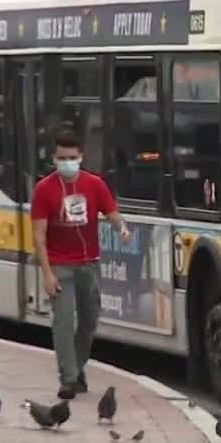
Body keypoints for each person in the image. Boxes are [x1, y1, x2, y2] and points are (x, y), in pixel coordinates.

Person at [30, 129, 131, 400]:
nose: (67, 162)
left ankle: (77, 368)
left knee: (88, 322)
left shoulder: (94, 184)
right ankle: (69, 379)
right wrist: (47, 274)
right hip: (60, 265)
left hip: (89, 265)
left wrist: (121, 228)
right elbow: (38, 236)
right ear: (54, 157)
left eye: (72, 157)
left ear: (81, 157)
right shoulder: (43, 190)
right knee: (63, 321)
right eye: (62, 158)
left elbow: (111, 212)